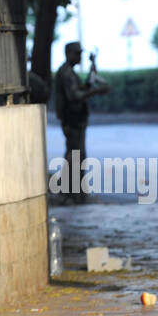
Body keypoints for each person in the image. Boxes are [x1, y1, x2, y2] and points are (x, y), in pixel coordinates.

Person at [54, 41, 111, 202]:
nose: (79, 57)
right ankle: (68, 193)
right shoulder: (66, 73)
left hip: (76, 119)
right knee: (75, 156)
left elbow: (82, 89)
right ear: (68, 54)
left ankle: (73, 193)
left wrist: (91, 79)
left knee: (77, 156)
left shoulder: (69, 73)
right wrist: (96, 91)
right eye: (77, 54)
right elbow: (75, 96)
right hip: (72, 120)